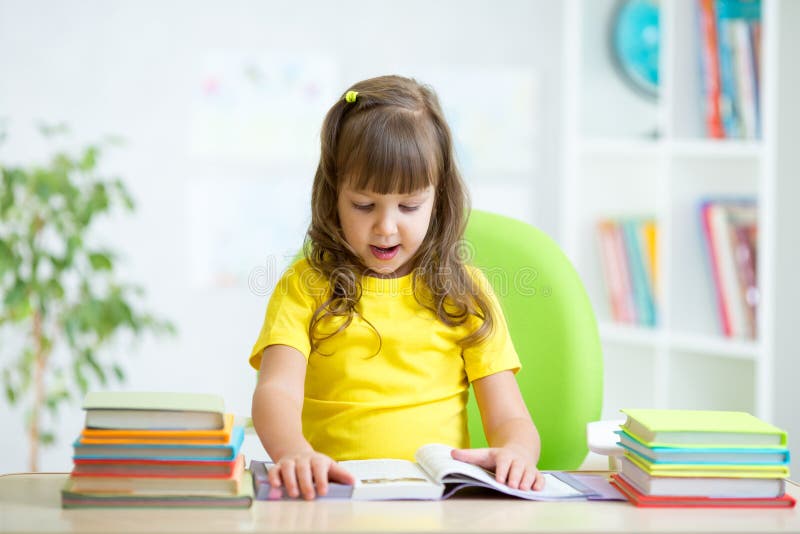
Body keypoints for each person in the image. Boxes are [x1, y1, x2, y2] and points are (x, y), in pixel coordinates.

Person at [249, 75, 543, 500]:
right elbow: (275, 390)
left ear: (438, 200)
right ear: (334, 195)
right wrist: (294, 452)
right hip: (331, 501)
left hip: (439, 505)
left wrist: (516, 451)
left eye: (409, 206)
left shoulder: (465, 294)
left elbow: (511, 419)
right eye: (364, 205)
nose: (386, 227)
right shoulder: (306, 287)